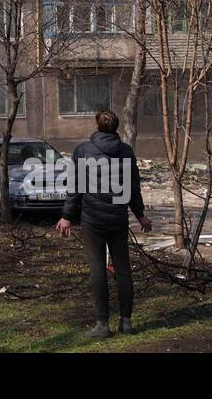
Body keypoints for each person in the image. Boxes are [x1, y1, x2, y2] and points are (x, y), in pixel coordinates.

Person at [57, 109, 151, 338]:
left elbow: (75, 187)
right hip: (118, 220)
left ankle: (102, 325)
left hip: (92, 220)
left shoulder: (83, 151)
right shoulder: (126, 152)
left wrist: (67, 216)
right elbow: (132, 187)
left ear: (97, 125)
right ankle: (126, 322)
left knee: (98, 270)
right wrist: (140, 214)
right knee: (123, 270)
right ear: (116, 127)